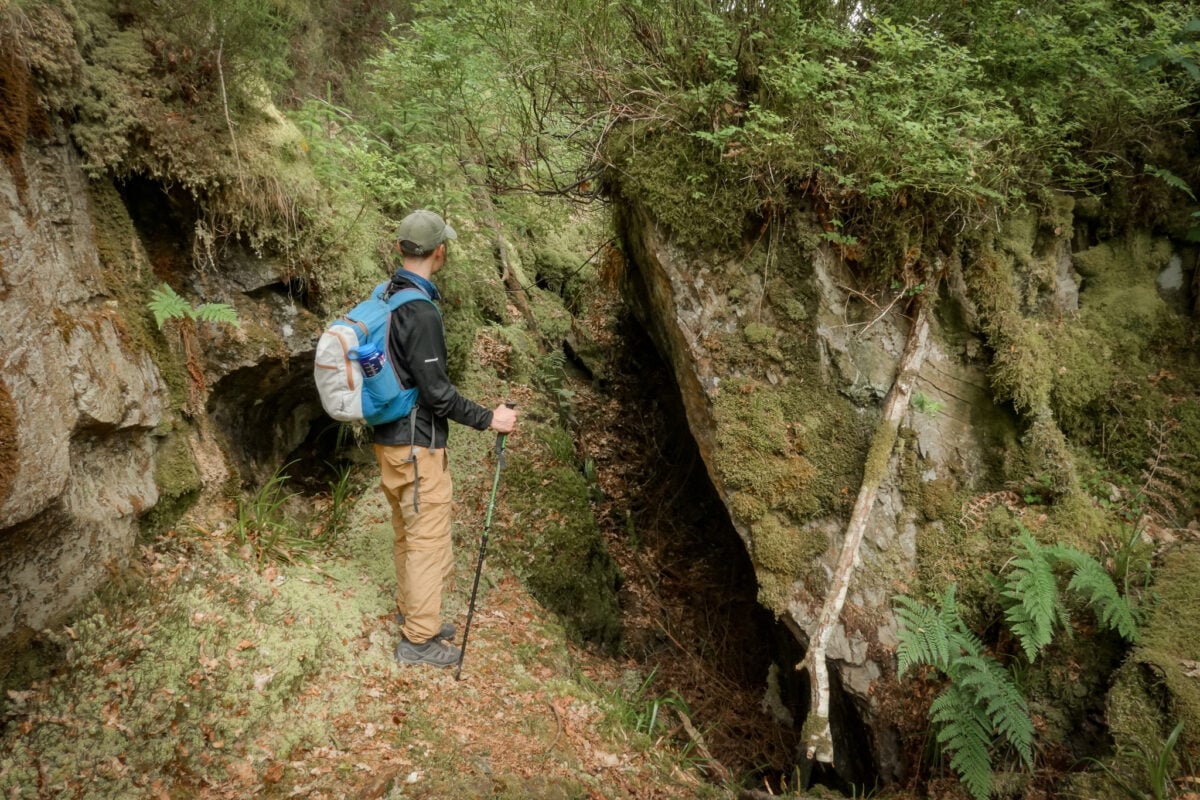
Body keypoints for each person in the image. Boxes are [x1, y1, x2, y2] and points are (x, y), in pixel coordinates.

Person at [374, 209, 518, 668]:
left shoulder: (386, 296)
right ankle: (418, 641)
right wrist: (488, 419)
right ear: (440, 251)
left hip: (389, 439)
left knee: (406, 531)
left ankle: (416, 612)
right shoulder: (420, 310)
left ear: (400, 248)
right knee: (427, 538)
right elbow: (437, 394)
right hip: (418, 446)